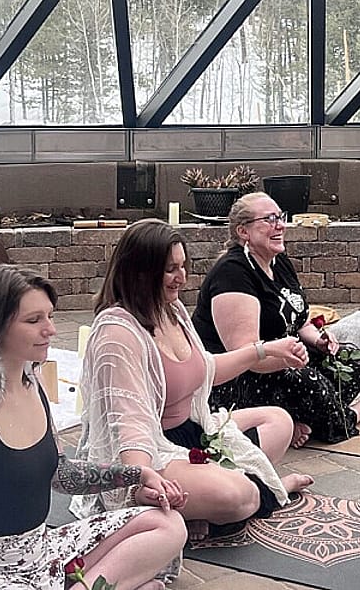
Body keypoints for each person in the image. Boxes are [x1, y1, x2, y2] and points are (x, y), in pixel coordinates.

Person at [0, 265, 186, 590]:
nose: (51, 330)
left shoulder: (32, 380)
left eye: (50, 316)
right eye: (34, 320)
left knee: (167, 525)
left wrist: (138, 474)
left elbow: (61, 473)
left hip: (43, 551)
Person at [72, 219, 313, 537]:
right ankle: (266, 489)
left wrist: (265, 350)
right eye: (171, 269)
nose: (182, 277)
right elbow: (128, 423)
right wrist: (140, 477)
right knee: (236, 495)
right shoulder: (117, 333)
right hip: (152, 448)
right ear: (141, 272)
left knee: (279, 421)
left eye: (183, 266)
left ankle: (208, 504)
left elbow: (205, 370)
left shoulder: (171, 310)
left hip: (194, 428)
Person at [192, 192, 360, 447]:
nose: (280, 225)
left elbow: (300, 321)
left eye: (280, 217)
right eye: (269, 219)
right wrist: (288, 360)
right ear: (243, 231)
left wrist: (318, 341)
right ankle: (349, 416)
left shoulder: (278, 261)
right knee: (309, 382)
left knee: (353, 361)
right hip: (236, 380)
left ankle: (301, 419)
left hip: (280, 360)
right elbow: (246, 355)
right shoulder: (232, 274)